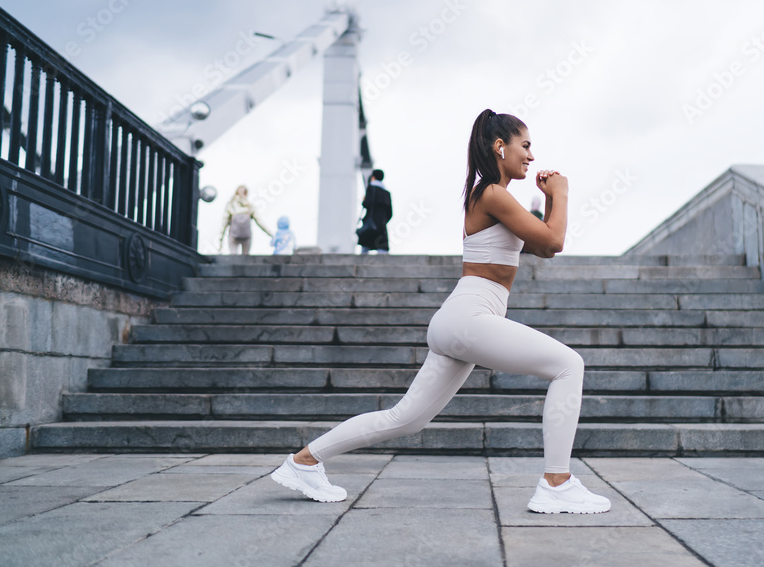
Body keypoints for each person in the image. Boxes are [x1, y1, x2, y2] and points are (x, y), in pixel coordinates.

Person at [271, 109, 611, 514]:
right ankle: (557, 483)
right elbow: (555, 241)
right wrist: (564, 191)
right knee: (569, 365)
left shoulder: (493, 196)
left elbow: (542, 245)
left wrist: (552, 197)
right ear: (500, 147)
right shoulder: (492, 194)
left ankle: (303, 462)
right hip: (470, 316)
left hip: (462, 318)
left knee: (404, 419)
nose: (532, 156)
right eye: (525, 145)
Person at [218, 185, 273, 255]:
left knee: (233, 258)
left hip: (233, 236)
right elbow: (260, 222)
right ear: (246, 193)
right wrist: (271, 234)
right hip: (246, 236)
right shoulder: (249, 206)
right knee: (245, 259)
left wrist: (220, 241)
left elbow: (224, 224)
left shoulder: (230, 205)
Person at [357, 169, 392, 254]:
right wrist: (384, 220)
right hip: (382, 222)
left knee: (366, 242)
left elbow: (367, 203)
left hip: (371, 219)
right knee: (381, 243)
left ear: (373, 177)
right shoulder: (386, 193)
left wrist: (364, 201)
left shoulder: (371, 188)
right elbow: (390, 212)